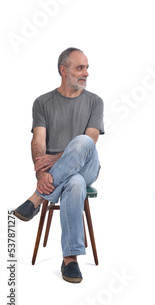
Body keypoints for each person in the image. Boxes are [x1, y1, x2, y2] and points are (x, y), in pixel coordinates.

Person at [12, 47, 103, 284]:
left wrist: (54, 161)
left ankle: (37, 199)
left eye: (86, 68)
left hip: (87, 166)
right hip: (56, 175)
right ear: (64, 71)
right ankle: (70, 259)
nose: (86, 73)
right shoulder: (42, 103)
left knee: (82, 141)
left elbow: (92, 139)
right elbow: (38, 142)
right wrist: (41, 171)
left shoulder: (95, 101)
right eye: (79, 68)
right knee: (73, 183)